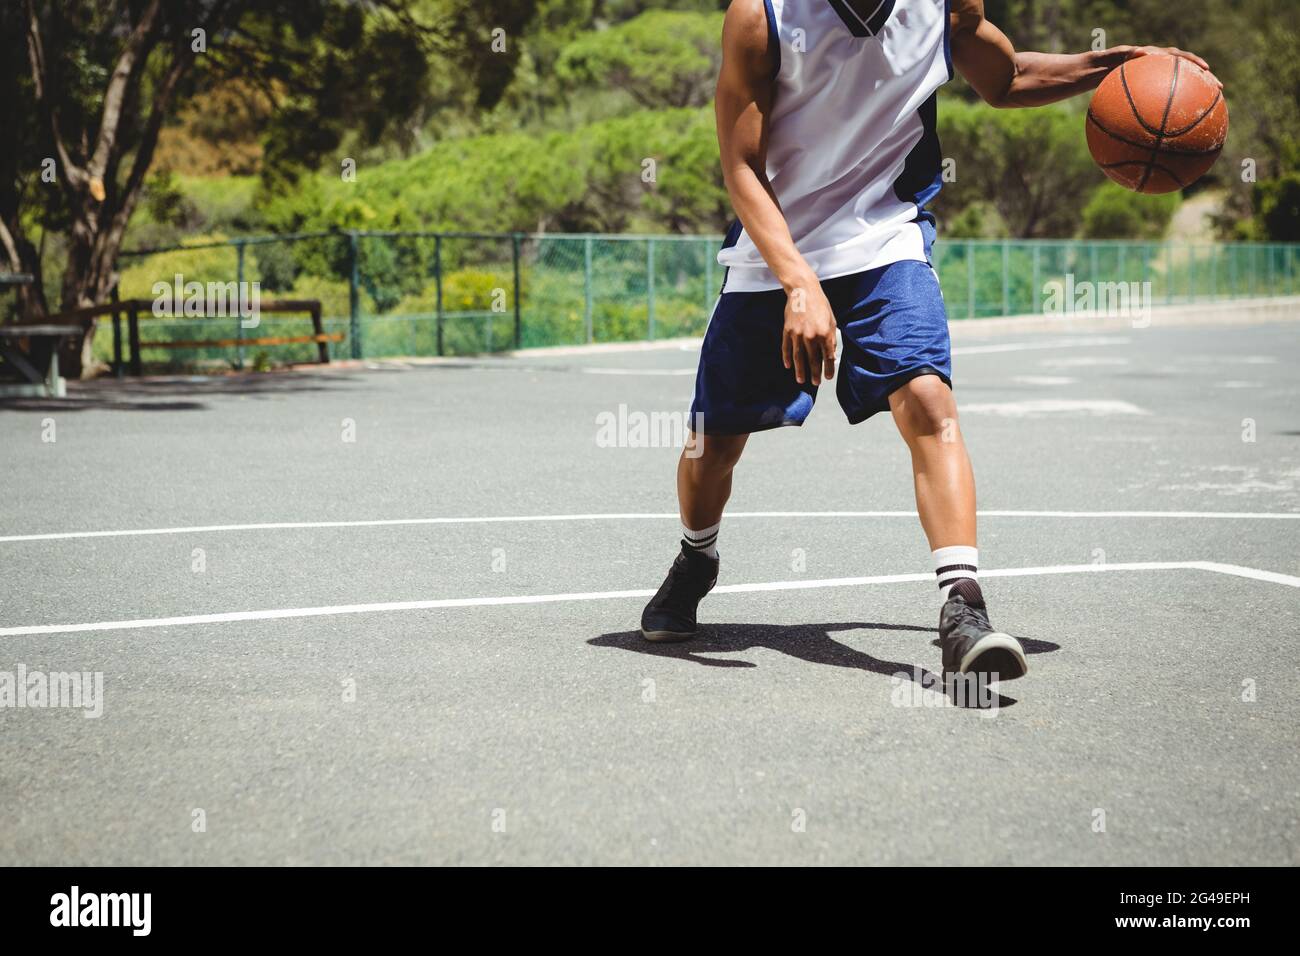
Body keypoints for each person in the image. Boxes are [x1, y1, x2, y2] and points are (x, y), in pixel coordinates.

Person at [640, 0, 1212, 684]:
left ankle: (962, 604)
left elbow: (1006, 80)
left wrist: (1108, 66)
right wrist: (798, 283)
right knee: (713, 444)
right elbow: (740, 165)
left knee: (928, 402)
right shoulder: (761, 17)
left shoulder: (946, 5)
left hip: (884, 235)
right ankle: (696, 556)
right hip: (777, 248)